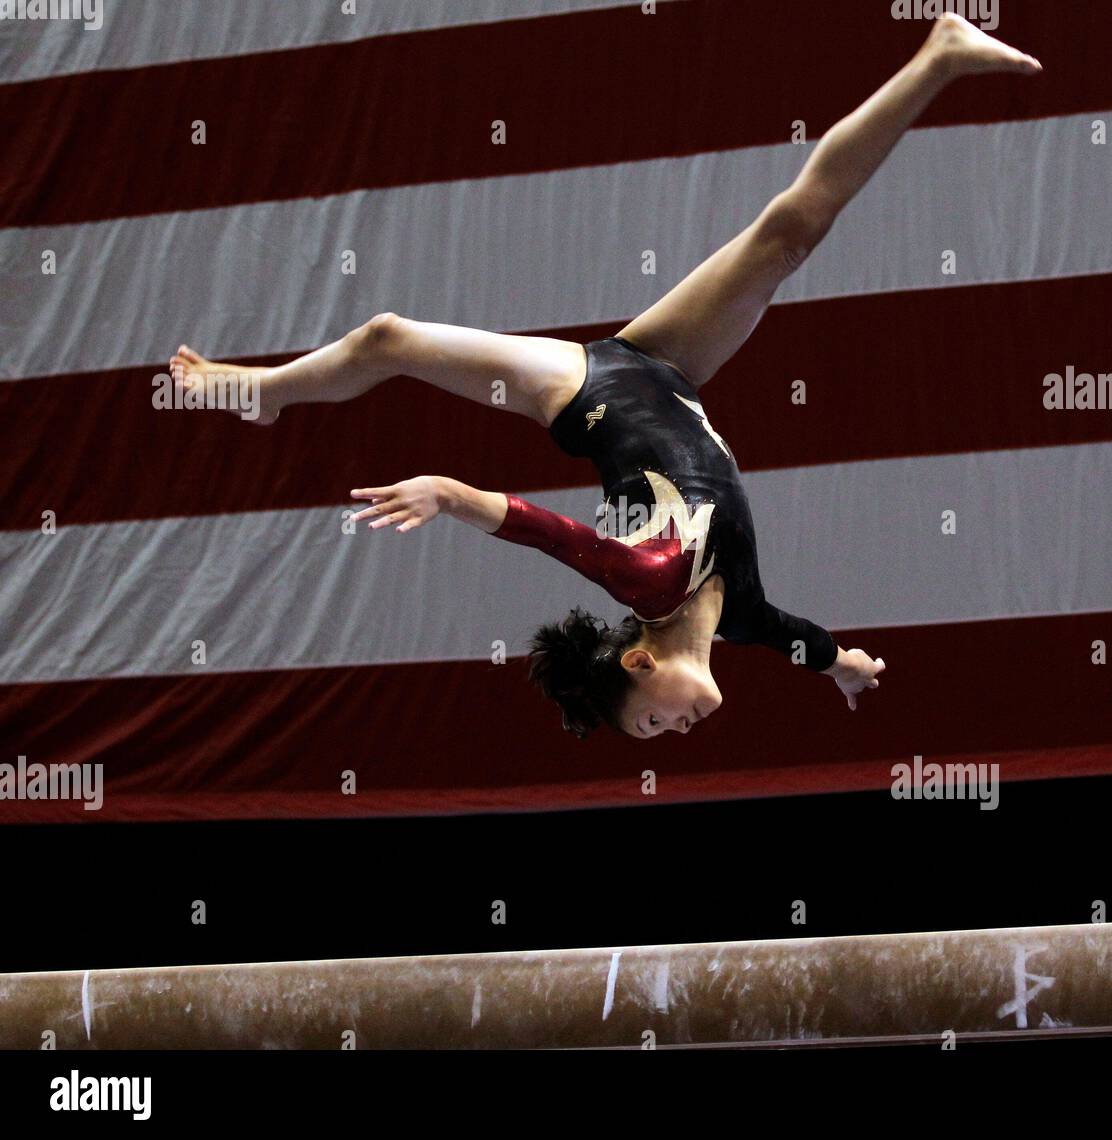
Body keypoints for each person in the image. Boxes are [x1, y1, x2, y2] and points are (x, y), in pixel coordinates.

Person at [172, 15, 1042, 738]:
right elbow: (799, 641)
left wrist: (445, 491)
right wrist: (844, 666)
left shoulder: (649, 580)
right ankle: (938, 56)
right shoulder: (737, 616)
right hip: (666, 371)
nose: (675, 732)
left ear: (639, 661)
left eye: (650, 723)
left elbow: (553, 534)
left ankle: (264, 394)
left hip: (584, 392)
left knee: (388, 334)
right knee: (788, 235)